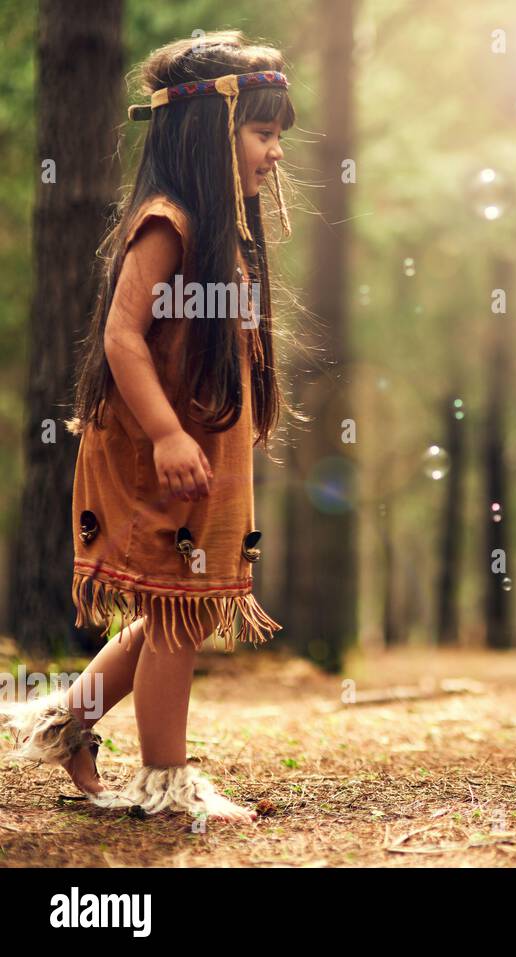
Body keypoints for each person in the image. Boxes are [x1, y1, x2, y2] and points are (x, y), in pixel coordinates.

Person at [2, 32, 296, 823]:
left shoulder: (221, 229)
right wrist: (168, 433)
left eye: (277, 136)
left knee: (181, 603)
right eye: (262, 133)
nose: (274, 152)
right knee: (175, 607)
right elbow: (123, 336)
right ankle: (164, 781)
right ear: (209, 133)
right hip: (151, 442)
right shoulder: (167, 221)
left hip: (199, 442)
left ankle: (68, 725)